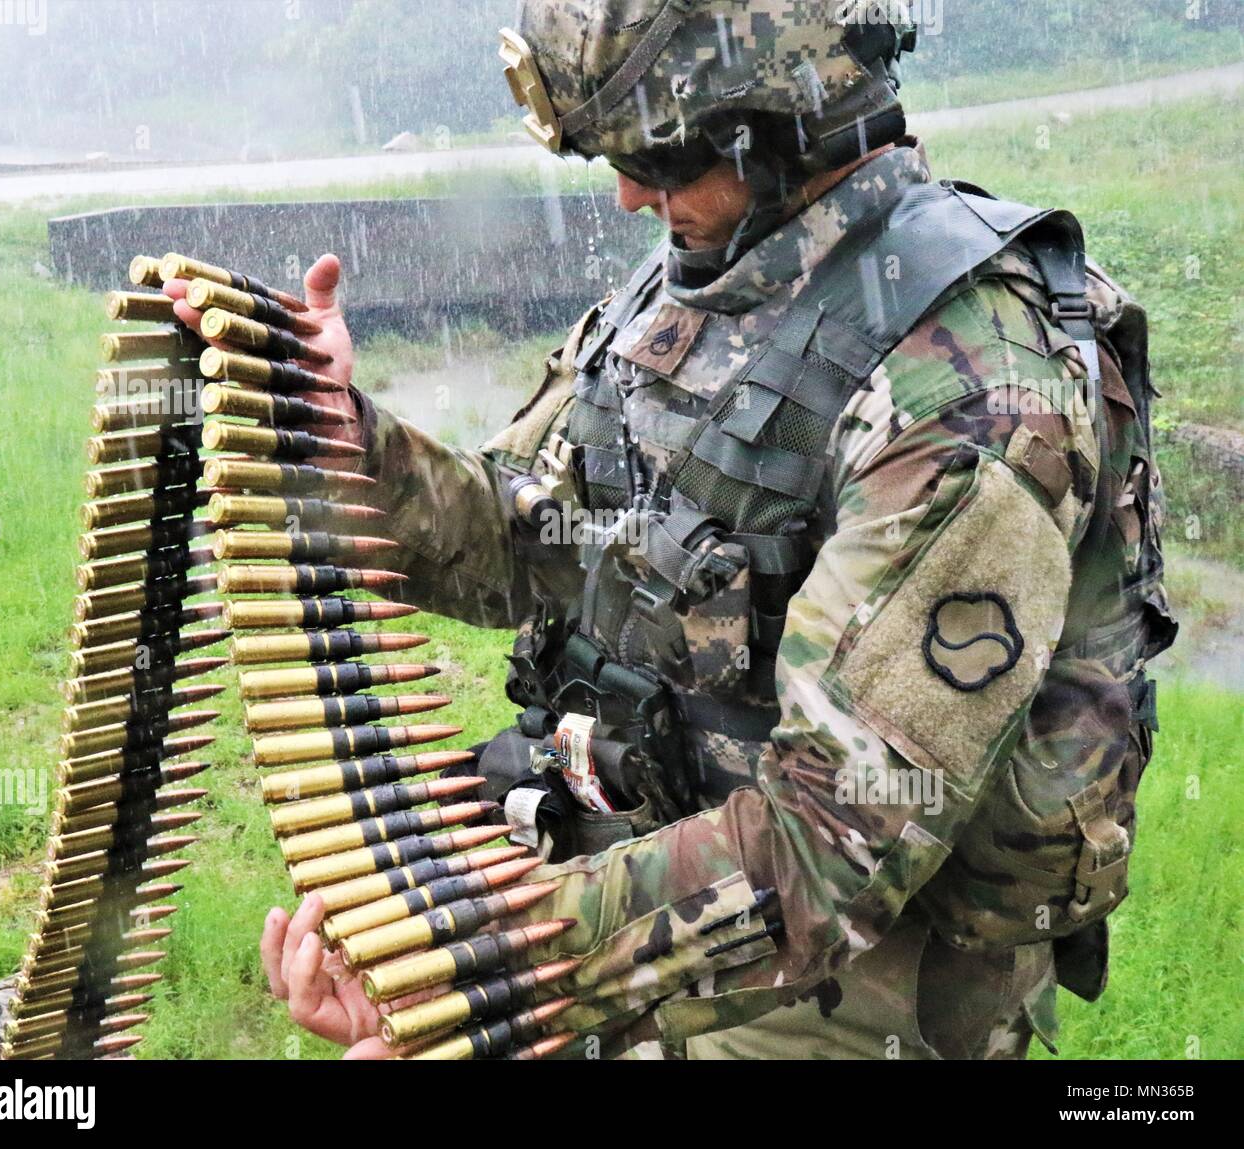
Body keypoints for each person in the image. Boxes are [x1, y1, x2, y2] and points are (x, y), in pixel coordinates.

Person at [168, 0, 1175, 1060]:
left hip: (849, 996)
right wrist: (339, 439)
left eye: (666, 153)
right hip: (639, 909)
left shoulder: (971, 378)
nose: (629, 191)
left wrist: (488, 963)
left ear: (795, 120)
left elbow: (836, 837)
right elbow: (532, 542)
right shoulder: (719, 265)